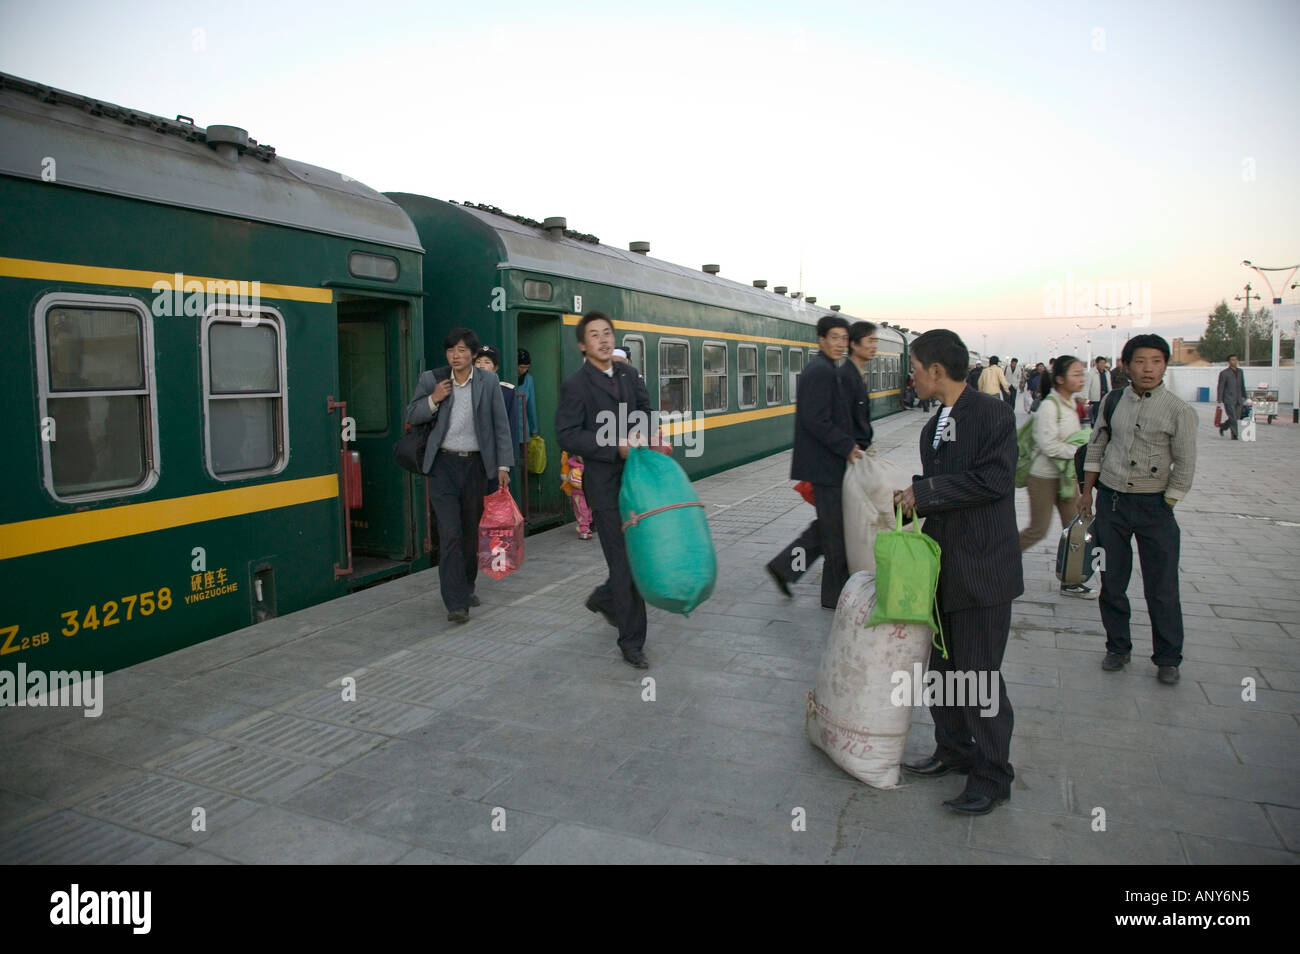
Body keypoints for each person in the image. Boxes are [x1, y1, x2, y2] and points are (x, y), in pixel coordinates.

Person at [895, 330, 1022, 816]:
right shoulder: (932, 428)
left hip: (984, 569)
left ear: (936, 370)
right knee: (943, 672)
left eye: (915, 367)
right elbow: (940, 485)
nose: (912, 376)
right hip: (944, 569)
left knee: (979, 674)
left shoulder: (992, 414)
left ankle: (993, 775)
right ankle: (954, 750)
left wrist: (925, 493)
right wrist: (910, 494)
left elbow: (993, 480)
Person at [1078, 334, 1198, 685]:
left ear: (1164, 365)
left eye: (1157, 361)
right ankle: (1117, 647)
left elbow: (1186, 464)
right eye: (1141, 361)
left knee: (1161, 587)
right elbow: (1096, 448)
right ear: (1127, 366)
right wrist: (1086, 492)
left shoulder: (1179, 411)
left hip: (1155, 509)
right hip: (1112, 504)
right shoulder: (1113, 402)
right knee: (1112, 582)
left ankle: (1167, 657)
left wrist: (1168, 502)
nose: (1149, 368)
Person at [556, 311, 654, 668]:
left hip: (638, 480)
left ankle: (605, 597)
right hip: (604, 485)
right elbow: (567, 434)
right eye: (594, 335)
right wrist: (615, 444)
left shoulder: (629, 373)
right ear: (583, 345)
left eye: (607, 333)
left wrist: (643, 433)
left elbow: (644, 409)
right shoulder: (576, 385)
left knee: (636, 558)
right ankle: (632, 643)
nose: (603, 339)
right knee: (625, 562)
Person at [406, 328, 515, 624]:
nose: (456, 355)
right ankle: (455, 602)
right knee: (450, 533)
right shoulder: (433, 379)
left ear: (474, 355)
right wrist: (433, 399)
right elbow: (412, 414)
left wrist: (503, 466)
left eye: (463, 350)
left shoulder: (488, 382)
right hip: (443, 466)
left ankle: (467, 586)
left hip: (477, 467)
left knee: (469, 533)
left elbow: (500, 426)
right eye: (451, 350)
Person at [765, 315, 868, 609]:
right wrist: (848, 446)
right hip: (826, 465)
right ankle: (833, 597)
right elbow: (815, 419)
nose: (840, 344)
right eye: (834, 337)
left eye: (843, 338)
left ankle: (785, 567)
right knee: (836, 535)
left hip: (829, 463)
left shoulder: (827, 368)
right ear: (821, 339)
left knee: (829, 525)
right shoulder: (820, 371)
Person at [1019, 355, 1096, 596]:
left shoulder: (1070, 403)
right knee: (1038, 530)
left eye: (1081, 374)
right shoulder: (1050, 406)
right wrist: (1079, 452)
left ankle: (1071, 580)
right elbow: (1048, 444)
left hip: (1066, 477)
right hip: (1043, 477)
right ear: (1060, 379)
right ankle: (996, 560)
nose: (1081, 379)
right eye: (1075, 374)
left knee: (1074, 528)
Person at [475, 345, 523, 464]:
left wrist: (505, 461)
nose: (481, 365)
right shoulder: (466, 389)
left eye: (487, 362)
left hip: (495, 453)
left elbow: (511, 427)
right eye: (477, 362)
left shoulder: (506, 391)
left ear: (495, 367)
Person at [842, 321, 876, 448]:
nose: (874, 346)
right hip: (853, 453)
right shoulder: (845, 377)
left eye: (875, 341)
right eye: (870, 341)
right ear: (854, 344)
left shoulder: (857, 376)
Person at [560, 451, 593, 539]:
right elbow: (575, 483)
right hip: (579, 494)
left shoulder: (585, 466)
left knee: (588, 511)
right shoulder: (575, 468)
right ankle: (584, 530)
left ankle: (586, 528)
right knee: (583, 512)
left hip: (587, 494)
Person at [1217, 354, 1247, 440]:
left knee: (1236, 417)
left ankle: (1223, 426)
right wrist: (1219, 398)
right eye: (1232, 360)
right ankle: (1234, 434)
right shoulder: (1224, 373)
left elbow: (1242, 385)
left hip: (1239, 398)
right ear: (1229, 362)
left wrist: (1245, 396)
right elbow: (1221, 386)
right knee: (1233, 417)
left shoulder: (1240, 372)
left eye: (1236, 360)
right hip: (1228, 398)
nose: (1235, 361)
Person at [517, 348, 539, 442]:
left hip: (523, 430)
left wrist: (534, 430)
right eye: (521, 367)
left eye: (527, 367)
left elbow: (531, 406)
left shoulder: (529, 379)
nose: (524, 370)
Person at [1084, 356, 1112, 426]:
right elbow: (1087, 386)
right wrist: (1085, 398)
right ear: (1096, 363)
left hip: (1105, 397)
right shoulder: (1091, 373)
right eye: (1101, 363)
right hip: (1095, 399)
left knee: (1105, 415)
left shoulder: (1107, 373)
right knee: (1096, 416)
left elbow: (1109, 385)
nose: (1102, 365)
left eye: (1104, 363)